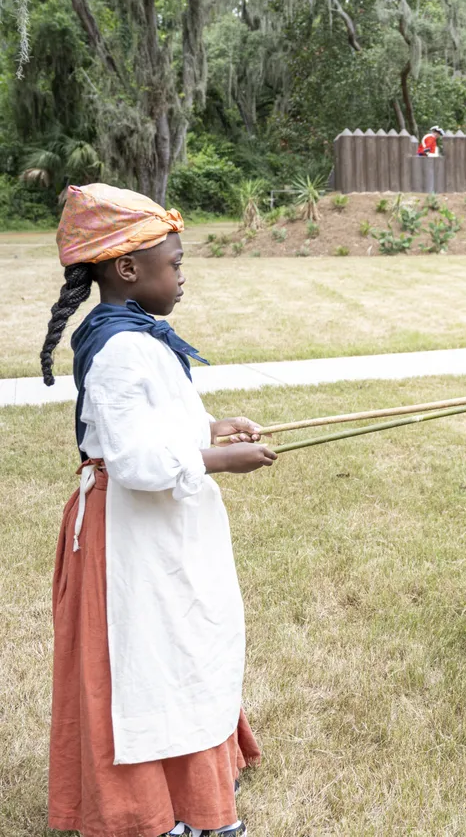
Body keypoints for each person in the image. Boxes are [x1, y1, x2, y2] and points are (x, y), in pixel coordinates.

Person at [41, 184, 277, 837]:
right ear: (126, 270)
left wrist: (213, 426)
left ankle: (192, 796)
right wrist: (218, 461)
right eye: (174, 264)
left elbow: (163, 422)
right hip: (131, 544)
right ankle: (149, 812)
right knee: (147, 666)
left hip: (165, 530)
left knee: (184, 652)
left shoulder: (139, 338)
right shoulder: (117, 349)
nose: (182, 278)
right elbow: (138, 460)